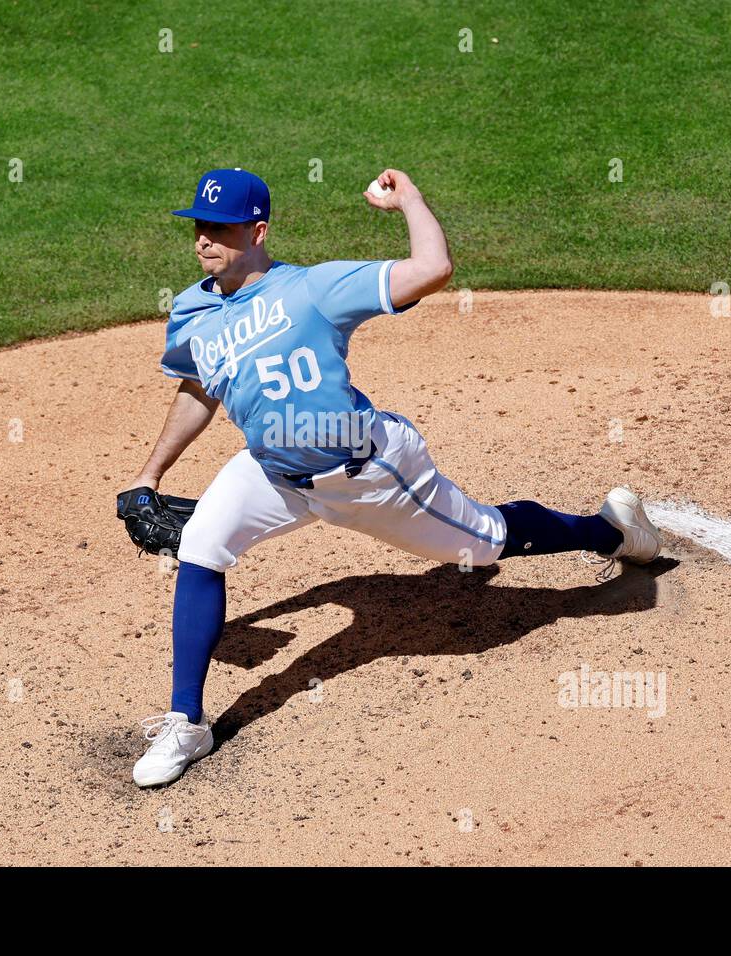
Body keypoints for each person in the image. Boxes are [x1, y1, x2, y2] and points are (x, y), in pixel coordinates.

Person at [123, 167, 661, 787]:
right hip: (272, 473)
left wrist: (410, 200)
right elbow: (199, 390)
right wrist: (149, 474)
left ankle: (610, 530)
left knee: (485, 542)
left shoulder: (314, 290)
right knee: (201, 546)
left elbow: (432, 270)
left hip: (369, 476)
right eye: (198, 225)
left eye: (219, 227)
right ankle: (187, 723)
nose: (204, 239)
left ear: (258, 230)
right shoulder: (192, 310)